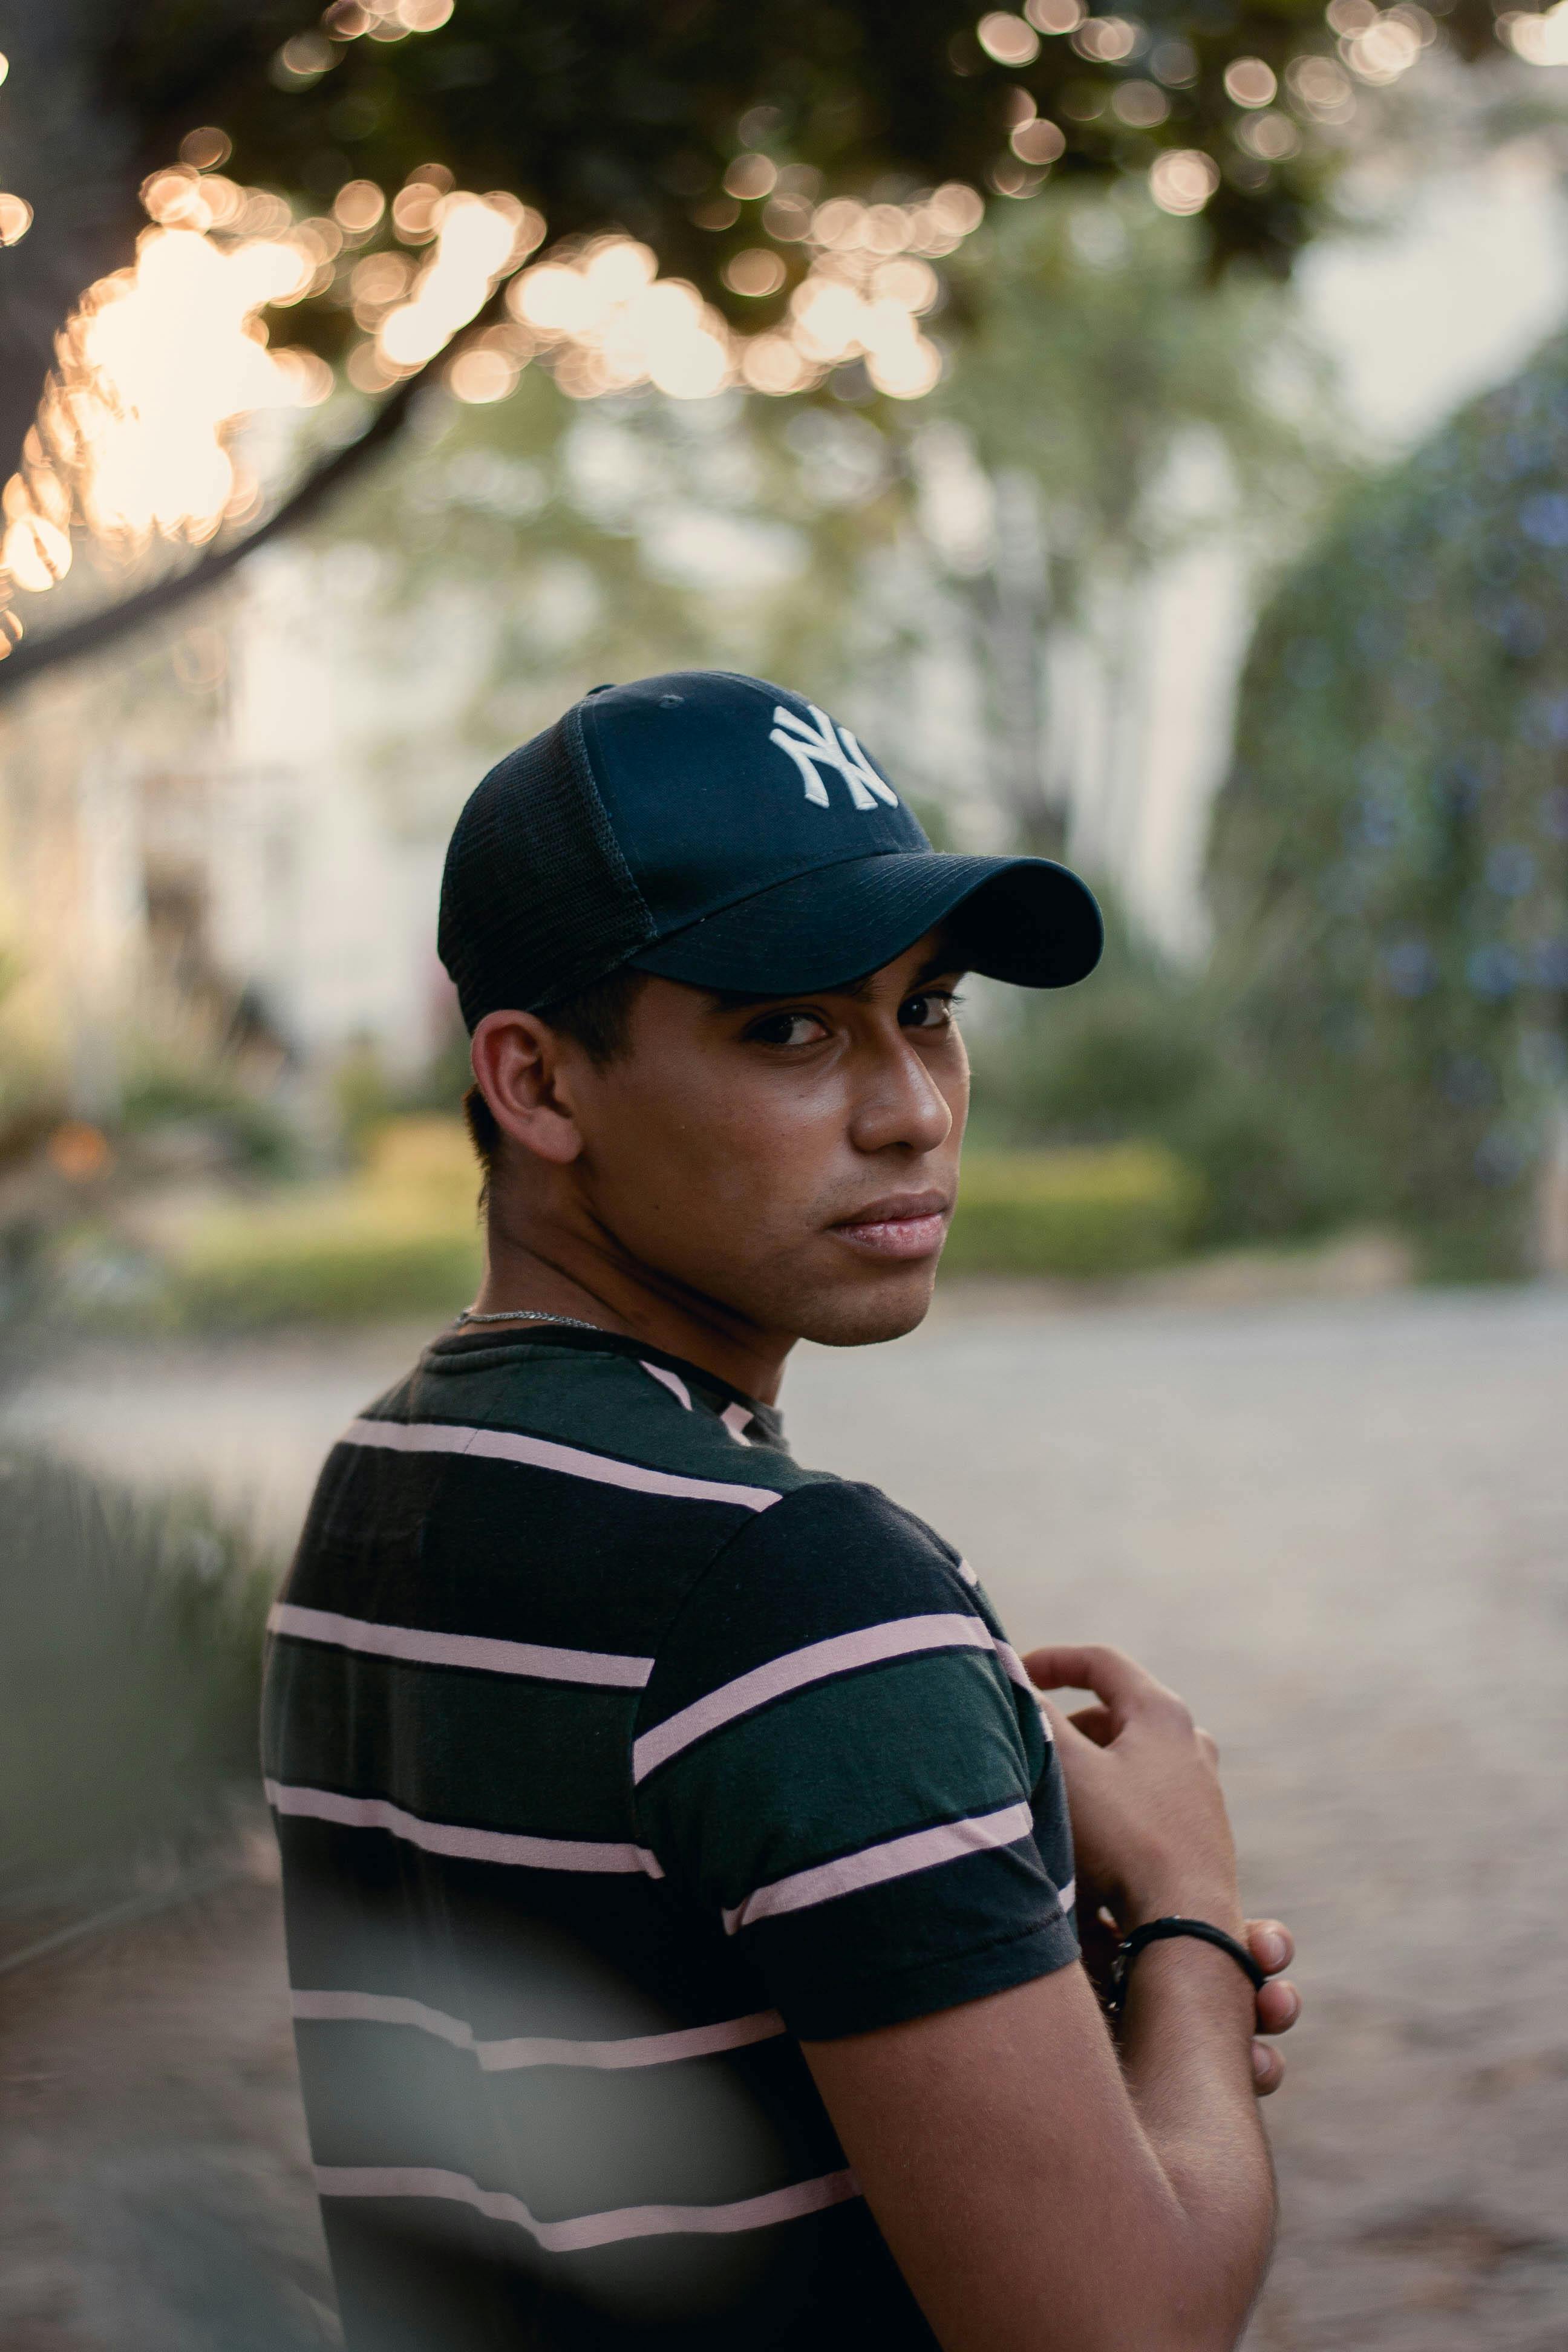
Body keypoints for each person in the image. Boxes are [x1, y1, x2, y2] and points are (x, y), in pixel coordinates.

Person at [262, 671, 1300, 2352]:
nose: (912, 1107)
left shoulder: (380, 1488)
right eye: (789, 1028)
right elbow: (1129, 2327)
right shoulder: (802, 1593)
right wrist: (1184, 1916)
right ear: (536, 1085)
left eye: (932, 1007)